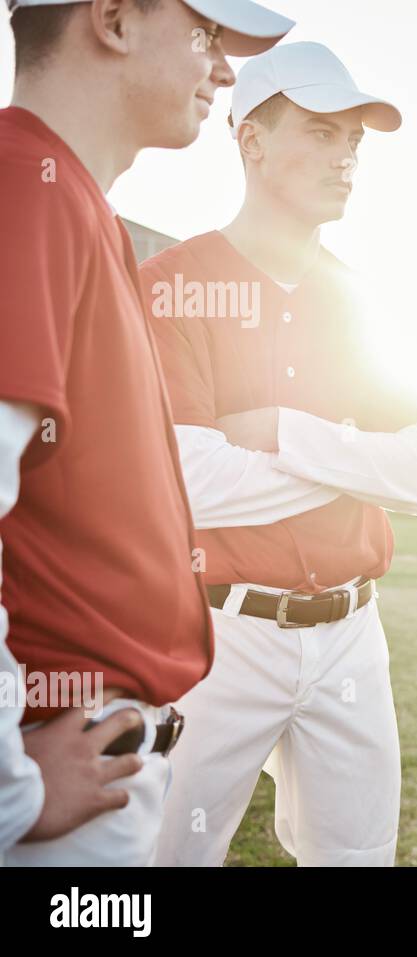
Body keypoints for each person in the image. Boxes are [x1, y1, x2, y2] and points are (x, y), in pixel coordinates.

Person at [139, 41, 417, 867]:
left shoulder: (365, 300)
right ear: (250, 141)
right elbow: (190, 484)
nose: (346, 156)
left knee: (358, 859)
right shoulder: (172, 282)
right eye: (322, 132)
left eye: (353, 139)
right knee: (167, 857)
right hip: (218, 632)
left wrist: (284, 428)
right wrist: (356, 463)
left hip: (354, 632)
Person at [0, 0, 293, 865]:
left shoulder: (66, 199)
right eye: (206, 34)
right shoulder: (28, 189)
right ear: (116, 19)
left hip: (93, 753)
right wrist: (9, 790)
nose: (226, 69)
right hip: (61, 765)